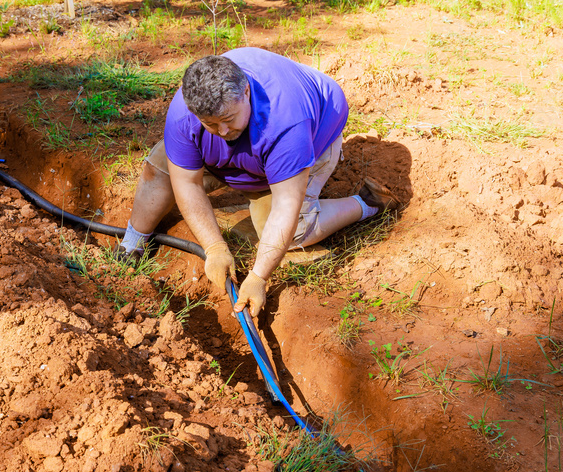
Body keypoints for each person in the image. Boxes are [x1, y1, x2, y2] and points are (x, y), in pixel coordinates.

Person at [115, 47, 399, 317]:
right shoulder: (185, 113)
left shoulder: (286, 124)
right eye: (210, 124)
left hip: (312, 136)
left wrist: (258, 277)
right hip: (255, 148)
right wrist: (214, 248)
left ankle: (366, 203)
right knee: (162, 164)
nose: (223, 131)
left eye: (228, 119)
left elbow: (286, 206)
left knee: (294, 228)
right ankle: (133, 243)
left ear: (246, 92)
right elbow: (187, 183)